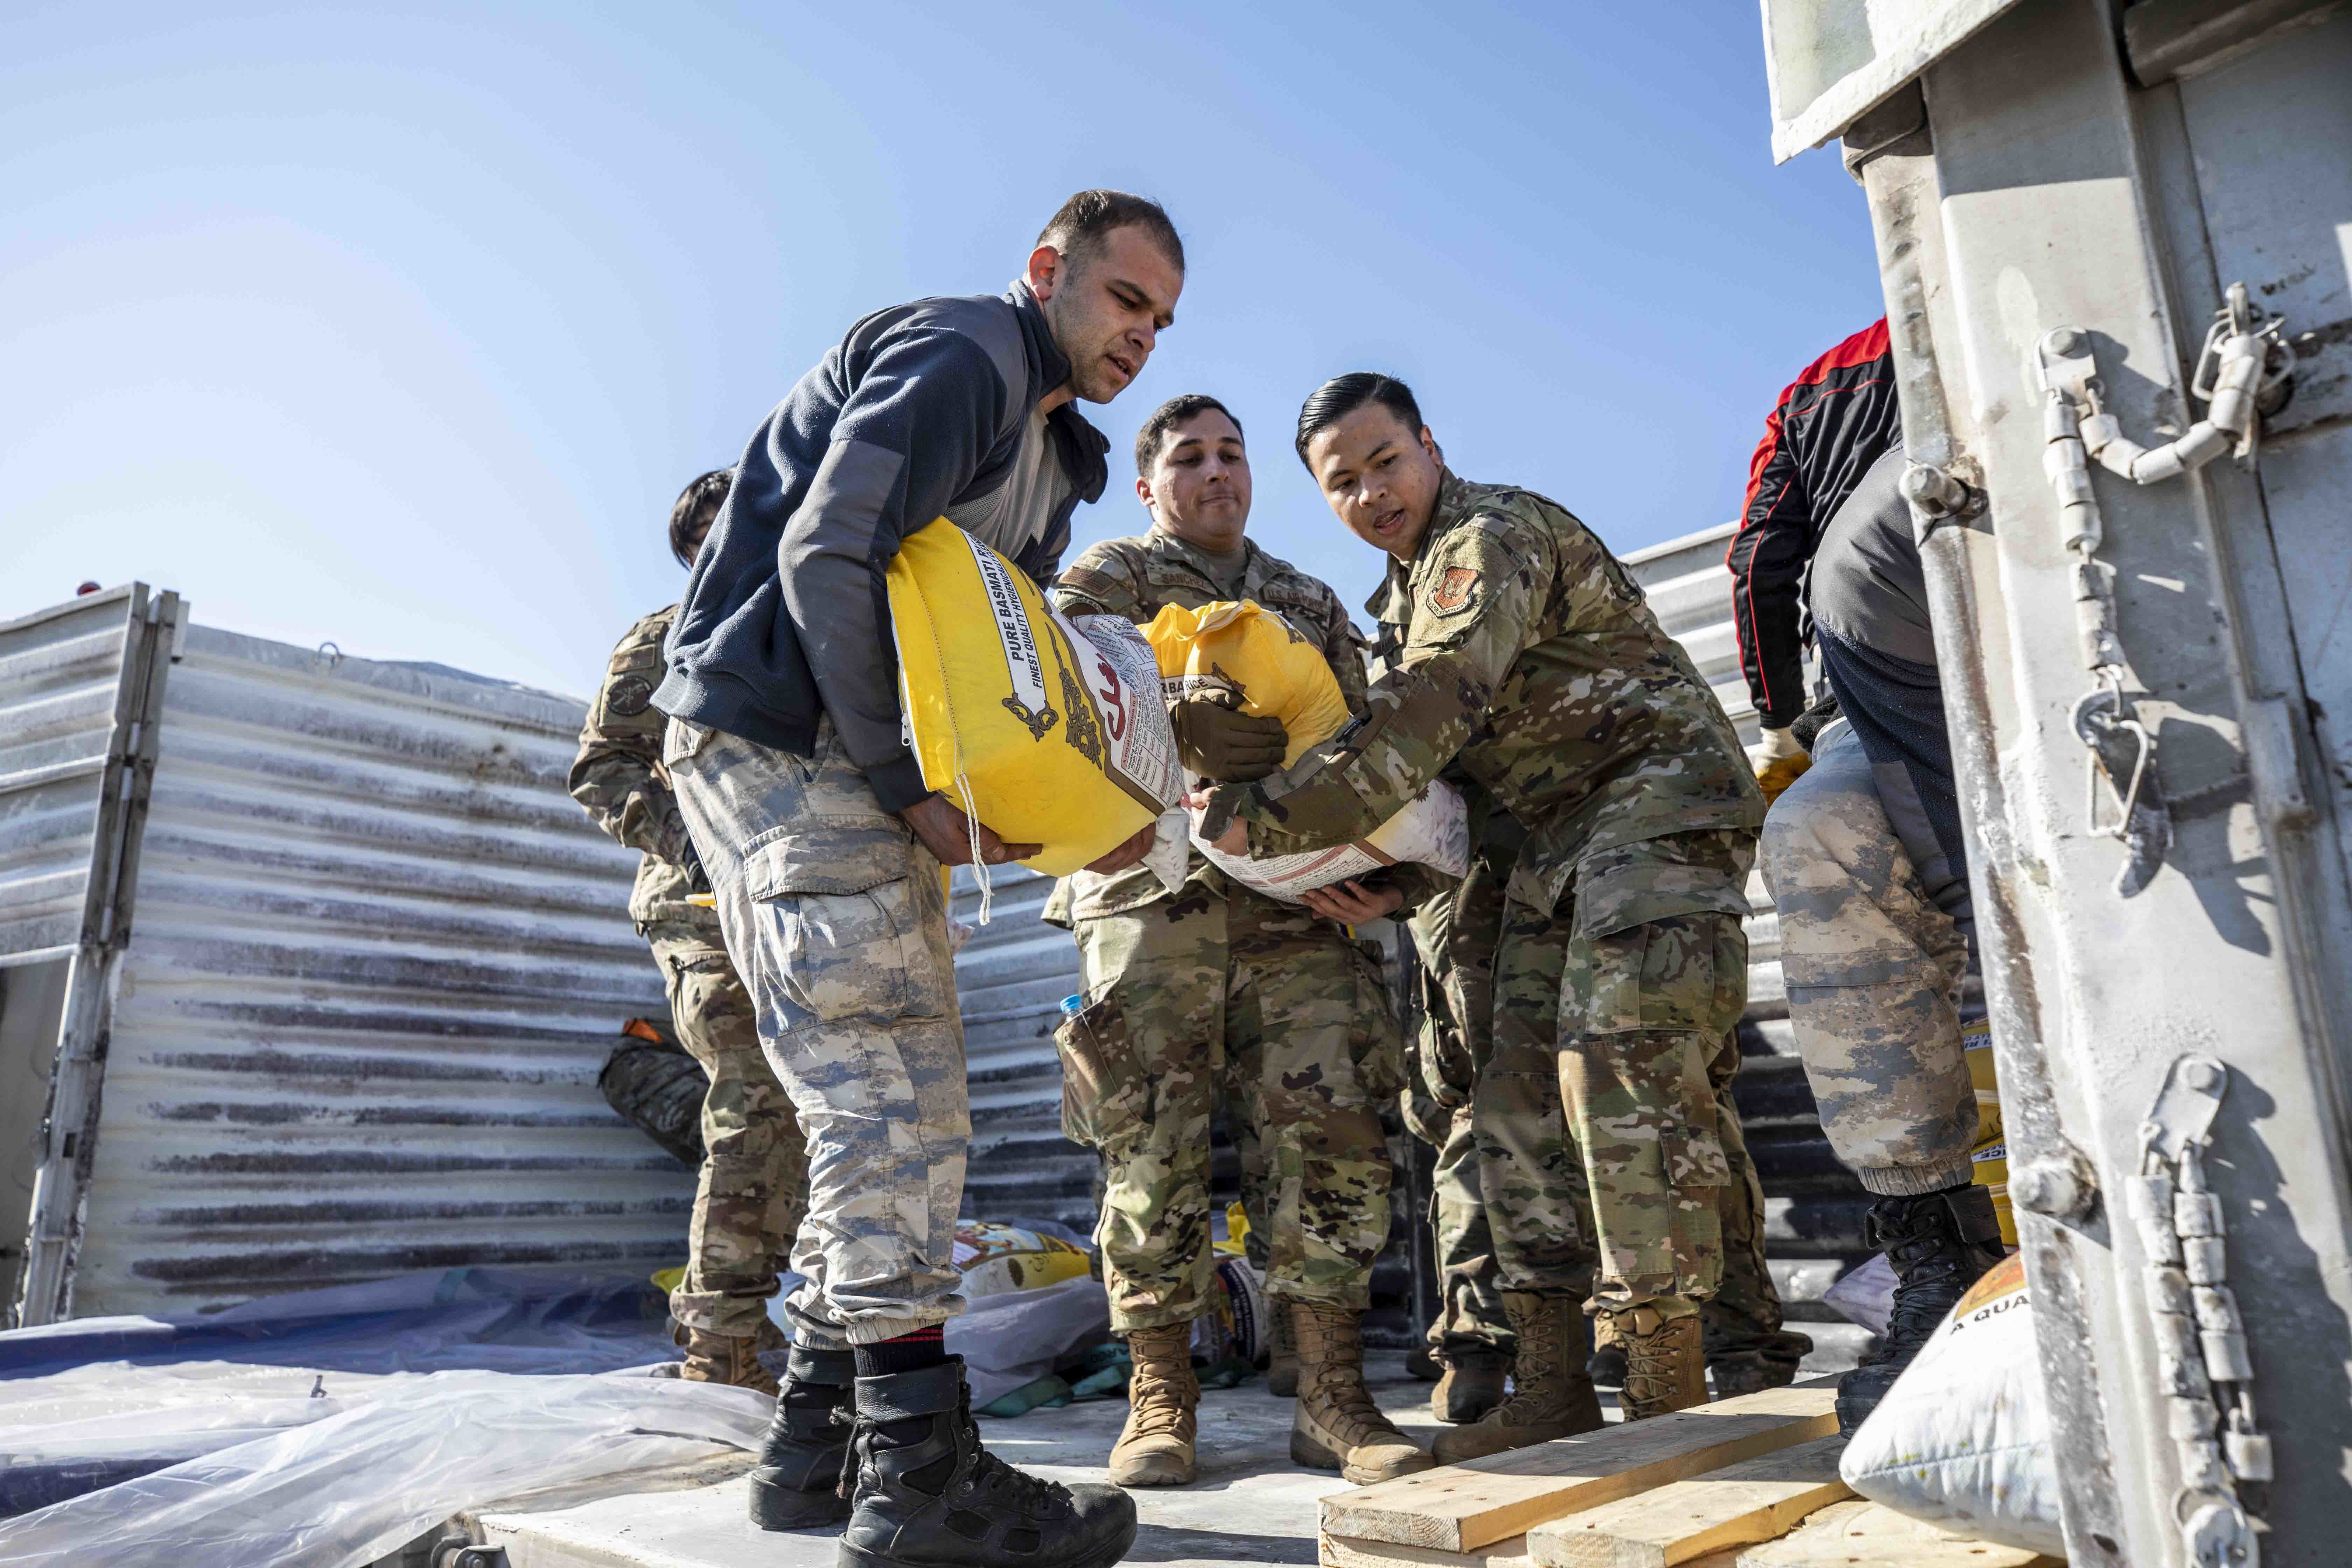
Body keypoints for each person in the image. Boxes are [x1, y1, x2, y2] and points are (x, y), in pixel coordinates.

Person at [652, 190, 1182, 1567]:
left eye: (1162, 322)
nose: (1141, 338)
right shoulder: (968, 357)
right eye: (1125, 300)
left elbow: (1006, 676)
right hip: (793, 739)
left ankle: (817, 1437)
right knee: (888, 1089)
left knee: (889, 1086)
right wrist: (904, 786)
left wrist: (1086, 822)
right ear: (1048, 271)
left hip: (841, 755)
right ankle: (919, 1472)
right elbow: (826, 550)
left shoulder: (1060, 458)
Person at [1199, 373, 1766, 1425]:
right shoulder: (1401, 595)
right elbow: (1461, 791)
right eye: (1343, 483)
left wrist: (1264, 825)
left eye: (1386, 463)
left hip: (1652, 807)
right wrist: (1389, 881)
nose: (1372, 494)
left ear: (1430, 447)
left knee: (1617, 1069)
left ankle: (1664, 1379)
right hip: (1545, 848)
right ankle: (1552, 1380)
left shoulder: (1484, 540)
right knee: (1508, 1099)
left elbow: (1425, 718)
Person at [1044, 393, 1428, 1488]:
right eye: (1189, 458)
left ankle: (1335, 1397)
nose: (1217, 474)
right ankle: (1161, 1397)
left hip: (1297, 911)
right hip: (1147, 902)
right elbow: (1064, 705)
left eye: (1232, 455)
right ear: (1148, 483)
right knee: (1147, 1144)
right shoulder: (1108, 578)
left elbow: (1375, 750)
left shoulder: (1306, 600)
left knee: (1330, 1135)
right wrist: (1168, 725)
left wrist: (1390, 872)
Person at [1759, 444, 2004, 1435]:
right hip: (1904, 687)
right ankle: (1938, 1252)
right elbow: (1761, 564)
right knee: (1821, 827)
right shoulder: (1868, 539)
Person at [570, 468, 810, 1397]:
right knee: (752, 1093)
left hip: (797, 903)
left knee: (812, 1111)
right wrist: (696, 846)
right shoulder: (663, 643)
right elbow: (601, 770)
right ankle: (723, 1342)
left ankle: (749, 1313)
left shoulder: (820, 640)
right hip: (698, 907)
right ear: (691, 553)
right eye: (717, 533)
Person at [1726, 320, 1899, 801]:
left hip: (1856, 656)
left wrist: (1780, 732)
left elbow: (1758, 565)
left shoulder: (1807, 391)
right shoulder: (1979, 318)